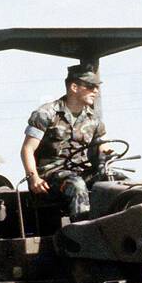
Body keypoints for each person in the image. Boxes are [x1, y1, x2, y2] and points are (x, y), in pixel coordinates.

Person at [19, 63, 107, 220]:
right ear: (74, 87)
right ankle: (83, 232)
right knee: (77, 185)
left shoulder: (93, 119)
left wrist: (107, 156)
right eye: (90, 86)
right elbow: (27, 149)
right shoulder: (46, 113)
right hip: (50, 177)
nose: (95, 91)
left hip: (81, 172)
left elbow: (103, 147)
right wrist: (34, 179)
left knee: (118, 181)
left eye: (96, 87)